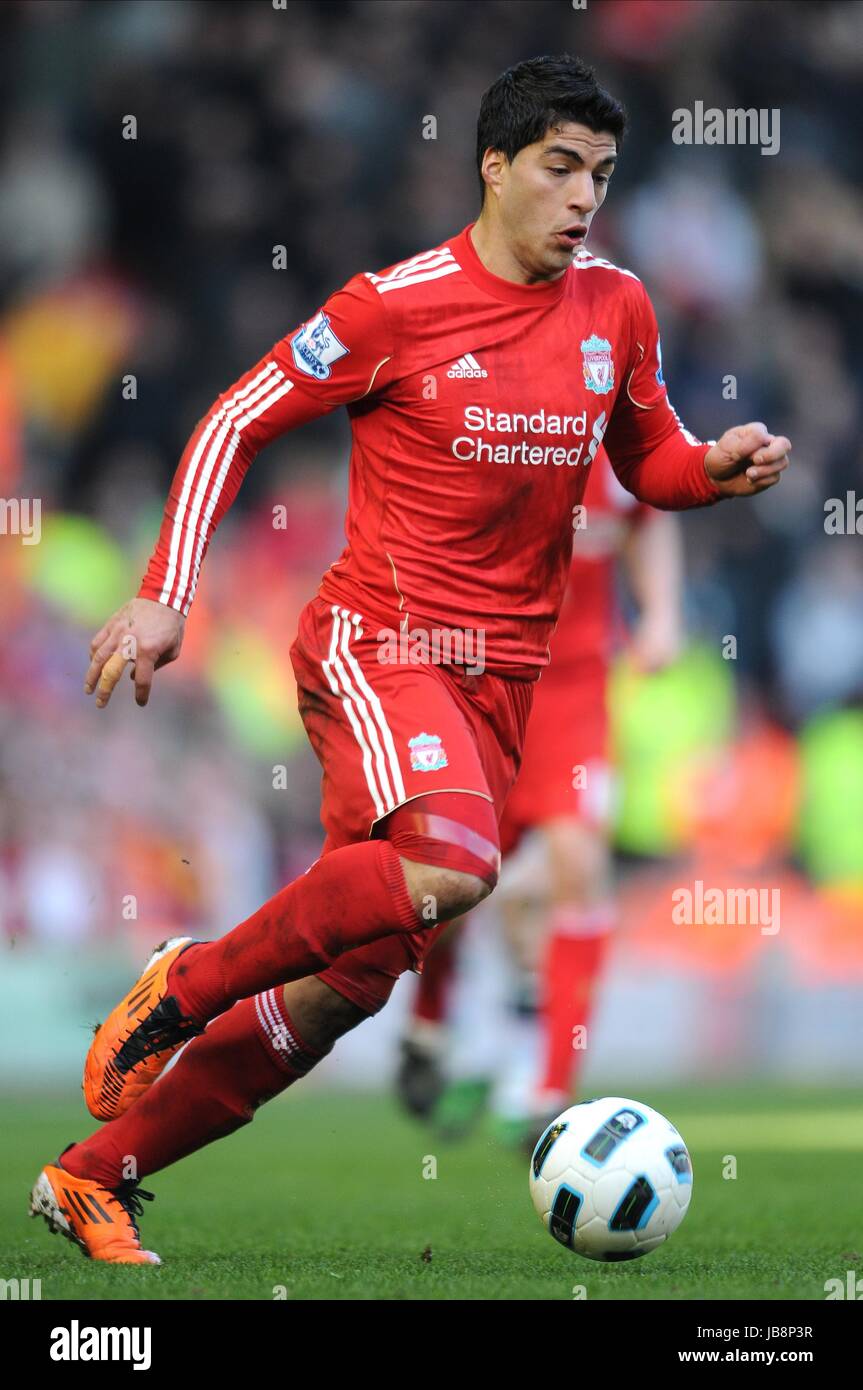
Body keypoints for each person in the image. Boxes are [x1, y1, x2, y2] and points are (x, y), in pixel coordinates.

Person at [30, 54, 790, 1263]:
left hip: (502, 683)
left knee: (351, 984)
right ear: (492, 166)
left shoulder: (617, 310)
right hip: (378, 643)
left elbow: (648, 459)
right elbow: (235, 416)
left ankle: (89, 1177)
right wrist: (167, 593)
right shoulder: (395, 304)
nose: (584, 196)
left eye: (600, 173)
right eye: (557, 168)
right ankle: (182, 986)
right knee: (453, 867)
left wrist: (713, 469)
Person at [396, 449, 684, 1144]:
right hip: (490, 691)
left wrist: (661, 614)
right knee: (458, 878)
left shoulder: (621, 438)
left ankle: (551, 1087)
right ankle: (432, 1021)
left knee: (576, 869)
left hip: (579, 698)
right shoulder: (503, 433)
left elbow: (649, 518)